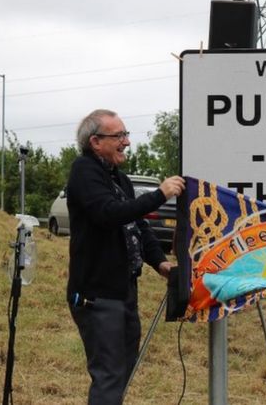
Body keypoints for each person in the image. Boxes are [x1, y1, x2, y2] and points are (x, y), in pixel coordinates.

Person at [66, 109, 184, 404]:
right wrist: (159, 194)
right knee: (109, 376)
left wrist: (161, 263)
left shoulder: (119, 178)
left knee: (123, 370)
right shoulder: (84, 172)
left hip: (124, 291)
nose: (127, 142)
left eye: (126, 134)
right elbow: (108, 214)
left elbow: (138, 226)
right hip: (98, 294)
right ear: (95, 141)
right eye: (119, 136)